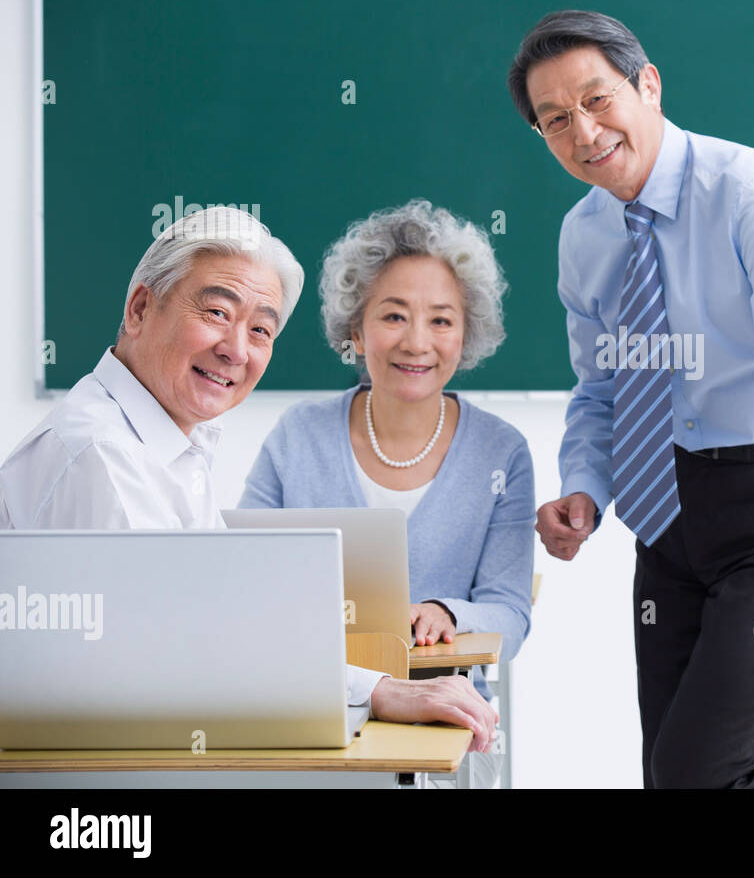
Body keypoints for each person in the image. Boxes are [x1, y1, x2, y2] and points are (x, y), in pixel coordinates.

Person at [508, 10, 754, 788]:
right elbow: (601, 387)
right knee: (670, 774)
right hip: (670, 505)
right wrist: (585, 485)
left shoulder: (752, 195)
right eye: (556, 120)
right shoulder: (583, 235)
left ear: (648, 84)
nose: (585, 132)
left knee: (698, 770)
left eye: (598, 100)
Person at [0, 206, 498, 750]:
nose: (236, 349)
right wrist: (377, 689)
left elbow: (220, 626)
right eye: (216, 312)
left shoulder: (169, 443)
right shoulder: (103, 456)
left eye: (260, 329)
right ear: (141, 307)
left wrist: (376, 686)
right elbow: (179, 668)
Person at [238, 201, 534, 785]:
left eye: (442, 320)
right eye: (394, 316)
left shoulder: (502, 453)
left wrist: (447, 611)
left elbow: (512, 615)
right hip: (312, 713)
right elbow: (244, 581)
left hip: (445, 728)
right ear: (356, 328)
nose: (417, 342)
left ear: (465, 333)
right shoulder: (298, 437)